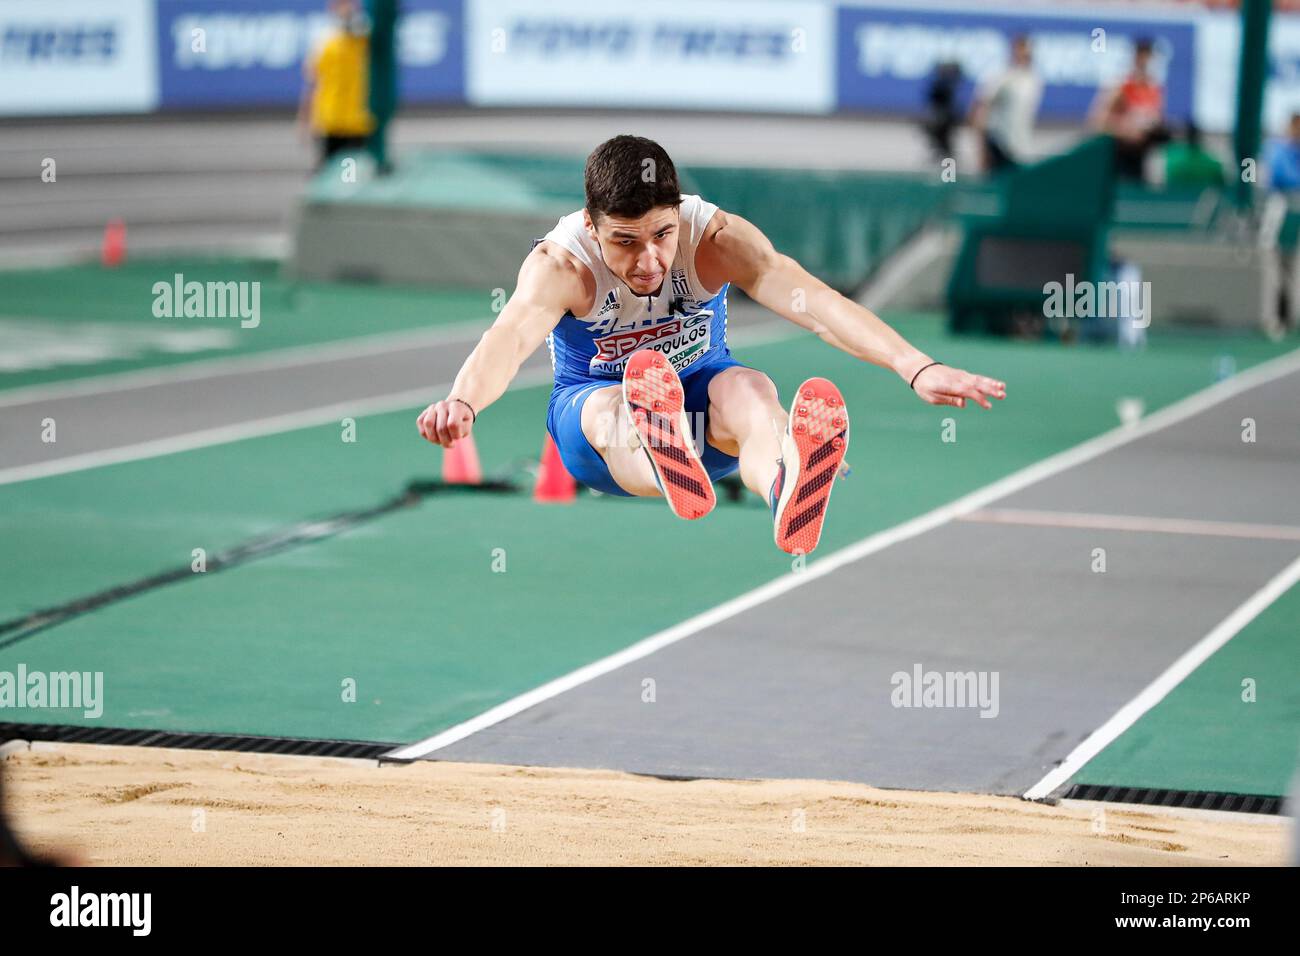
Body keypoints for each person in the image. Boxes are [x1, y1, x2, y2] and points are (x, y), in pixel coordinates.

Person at [416, 136, 1006, 555]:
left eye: (662, 235)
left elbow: (814, 302)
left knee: (752, 389)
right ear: (593, 227)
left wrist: (915, 365)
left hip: (702, 403)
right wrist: (464, 401)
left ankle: (783, 480)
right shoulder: (563, 264)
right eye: (625, 242)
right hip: (592, 421)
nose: (648, 260)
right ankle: (659, 450)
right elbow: (510, 336)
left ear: (679, 214)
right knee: (611, 410)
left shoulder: (716, 237)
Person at [298, 0, 375, 170]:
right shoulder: (323, 41)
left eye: (348, 3)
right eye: (340, 4)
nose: (345, 8)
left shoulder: (364, 36)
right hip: (329, 120)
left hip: (357, 122)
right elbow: (312, 83)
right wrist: (304, 119)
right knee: (326, 171)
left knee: (349, 174)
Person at [1089, 37, 1170, 182]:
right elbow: (1098, 122)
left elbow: (1154, 118)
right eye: (1142, 57)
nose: (1146, 62)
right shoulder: (1121, 85)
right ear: (1135, 57)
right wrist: (1125, 133)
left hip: (1143, 155)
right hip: (1120, 154)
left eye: (1149, 57)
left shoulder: (1153, 88)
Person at [969, 35, 1043, 173]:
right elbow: (980, 108)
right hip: (999, 145)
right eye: (1021, 50)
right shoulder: (1001, 76)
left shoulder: (1033, 79)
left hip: (1021, 148)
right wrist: (981, 149)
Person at [1164, 123, 1225, 191]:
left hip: (1177, 200)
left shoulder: (1173, 163)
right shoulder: (1214, 165)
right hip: (1205, 200)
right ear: (1200, 138)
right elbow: (1223, 187)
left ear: (1185, 138)